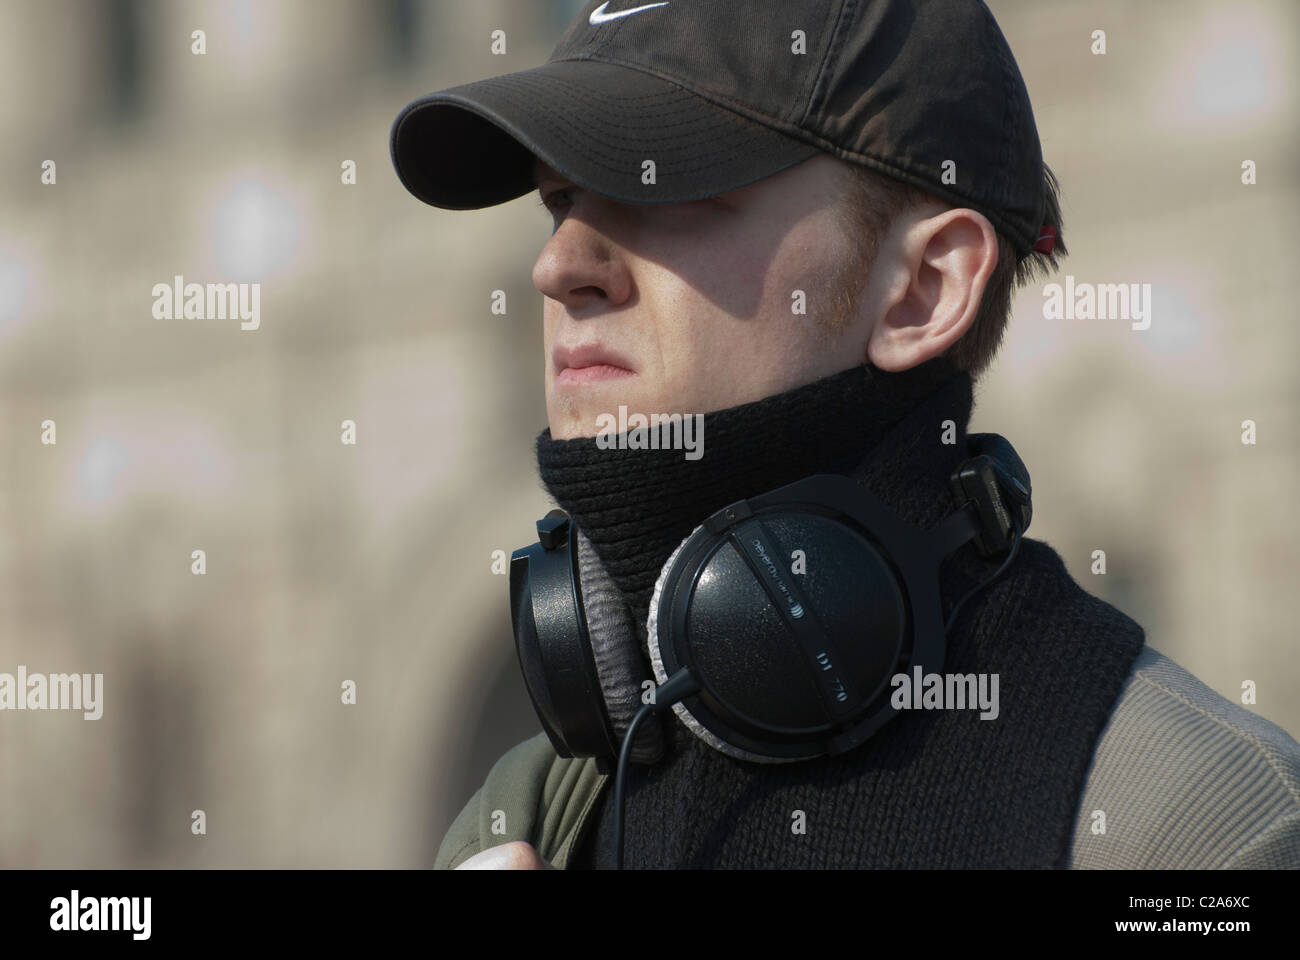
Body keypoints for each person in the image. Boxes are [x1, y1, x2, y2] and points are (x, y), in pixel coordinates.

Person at [390, 0, 1300, 869]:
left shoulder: (1198, 824)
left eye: (665, 190)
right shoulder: (522, 819)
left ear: (925, 289)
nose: (557, 266)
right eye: (559, 200)